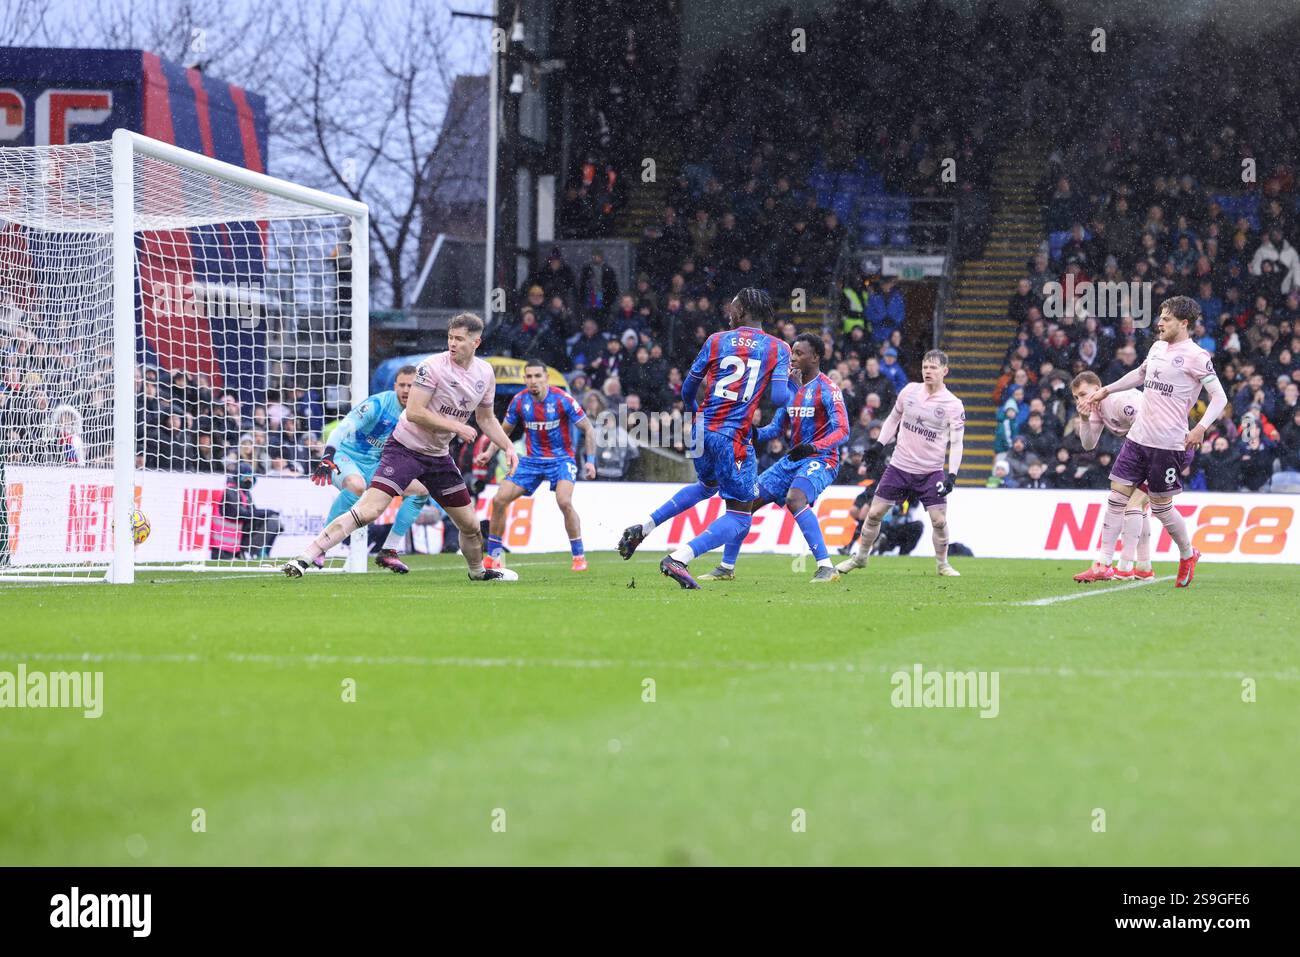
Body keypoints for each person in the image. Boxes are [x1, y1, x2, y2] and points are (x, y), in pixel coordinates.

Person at [282, 313, 518, 581]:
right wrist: (456, 427)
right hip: (404, 449)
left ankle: (477, 572)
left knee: (471, 525)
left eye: (459, 339)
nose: (452, 343)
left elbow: (486, 418)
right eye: (450, 337)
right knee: (369, 509)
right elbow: (416, 412)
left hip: (438, 457)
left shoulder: (485, 373)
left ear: (476, 342)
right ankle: (305, 557)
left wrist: (508, 446)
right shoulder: (432, 366)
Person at [615, 288, 794, 588]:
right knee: (741, 516)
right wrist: (792, 384)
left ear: (742, 311)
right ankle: (679, 558)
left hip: (701, 429)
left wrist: (694, 413)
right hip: (732, 438)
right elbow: (778, 397)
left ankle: (645, 526)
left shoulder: (716, 340)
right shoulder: (778, 348)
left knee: (706, 486)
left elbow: (687, 388)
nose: (729, 310)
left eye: (733, 305)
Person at [1077, 296, 1228, 588]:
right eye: (1160, 316)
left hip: (1168, 444)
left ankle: (1187, 553)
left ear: (1184, 324)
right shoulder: (1157, 347)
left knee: (1160, 508)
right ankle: (1103, 564)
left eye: (1167, 318)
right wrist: (1105, 390)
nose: (1160, 322)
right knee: (1116, 497)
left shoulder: (1198, 357)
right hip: (1138, 438)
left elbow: (1220, 397)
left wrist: (1200, 428)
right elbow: (1140, 374)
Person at [699, 334, 849, 583]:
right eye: (792, 353)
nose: (793, 358)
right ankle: (726, 568)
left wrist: (813, 447)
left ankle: (826, 567)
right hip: (792, 459)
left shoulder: (828, 389)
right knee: (746, 501)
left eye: (799, 353)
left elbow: (843, 430)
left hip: (822, 459)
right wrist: (752, 432)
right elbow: (776, 428)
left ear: (815, 357)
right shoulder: (790, 390)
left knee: (795, 498)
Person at [837, 350, 966, 577]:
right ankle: (861, 557)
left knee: (939, 520)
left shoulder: (953, 405)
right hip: (899, 467)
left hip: (930, 472)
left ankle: (942, 564)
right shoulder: (909, 391)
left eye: (933, 367)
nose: (928, 371)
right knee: (875, 513)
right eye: (925, 367)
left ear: (945, 371)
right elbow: (893, 419)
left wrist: (952, 475)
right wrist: (878, 446)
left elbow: (956, 443)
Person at [310, 365, 430, 573]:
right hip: (345, 457)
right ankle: (321, 546)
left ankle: (389, 550)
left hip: (377, 465)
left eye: (411, 386)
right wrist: (328, 455)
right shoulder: (378, 404)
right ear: (395, 386)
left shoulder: (418, 415)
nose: (406, 390)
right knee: (357, 485)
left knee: (420, 491)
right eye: (402, 385)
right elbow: (344, 427)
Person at [486, 359, 597, 573]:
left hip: (561, 460)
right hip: (532, 461)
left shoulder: (562, 400)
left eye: (537, 376)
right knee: (499, 500)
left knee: (564, 501)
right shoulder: (519, 401)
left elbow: (589, 429)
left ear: (546, 377)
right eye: (529, 376)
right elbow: (504, 430)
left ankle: (578, 555)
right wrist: (488, 452)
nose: (533, 381)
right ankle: (493, 556)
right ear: (524, 379)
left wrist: (590, 462)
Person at [1069, 371, 1160, 581]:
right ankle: (1143, 567)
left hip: (1161, 447)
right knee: (1135, 505)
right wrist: (1083, 418)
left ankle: (1121, 566)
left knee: (1130, 505)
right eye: (1076, 397)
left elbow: (1151, 423)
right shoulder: (1098, 408)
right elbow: (1088, 444)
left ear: (1097, 387)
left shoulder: (1120, 400)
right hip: (1150, 448)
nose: (1080, 400)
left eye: (1083, 394)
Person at [209, 465, 281, 560]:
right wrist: (267, 512)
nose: (249, 481)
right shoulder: (230, 491)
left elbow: (252, 512)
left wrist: (268, 513)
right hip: (222, 546)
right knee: (271, 519)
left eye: (251, 478)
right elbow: (241, 514)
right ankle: (253, 551)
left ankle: (261, 552)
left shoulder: (244, 492)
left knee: (275, 522)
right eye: (246, 477)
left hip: (235, 544)